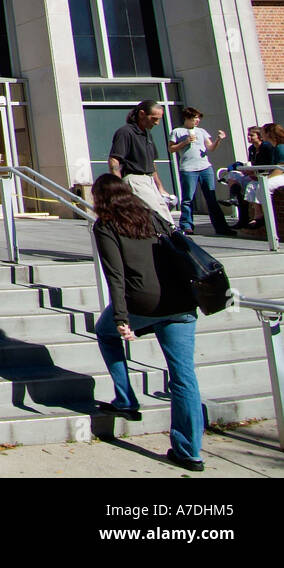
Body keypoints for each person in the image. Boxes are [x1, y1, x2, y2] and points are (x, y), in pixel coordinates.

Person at [91, 172, 205, 472]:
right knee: (184, 377)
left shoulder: (105, 226)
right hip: (181, 301)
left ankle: (126, 398)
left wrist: (120, 317)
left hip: (144, 302)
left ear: (100, 199)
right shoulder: (153, 217)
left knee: (105, 334)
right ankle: (190, 451)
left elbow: (115, 275)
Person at [168, 106, 235, 237]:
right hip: (188, 169)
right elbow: (171, 149)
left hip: (205, 168)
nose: (197, 121)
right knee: (188, 198)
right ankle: (187, 226)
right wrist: (185, 142)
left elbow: (210, 147)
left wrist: (219, 139)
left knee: (211, 198)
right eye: (194, 118)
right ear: (187, 118)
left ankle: (221, 227)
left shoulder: (201, 131)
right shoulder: (177, 131)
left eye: (198, 118)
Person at [108, 100, 175, 216]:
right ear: (142, 114)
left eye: (159, 119)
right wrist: (119, 188)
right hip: (134, 180)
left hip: (149, 181)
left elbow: (151, 164)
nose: (157, 123)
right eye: (154, 118)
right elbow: (114, 160)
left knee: (165, 214)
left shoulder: (147, 134)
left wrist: (160, 187)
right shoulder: (125, 132)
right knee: (158, 216)